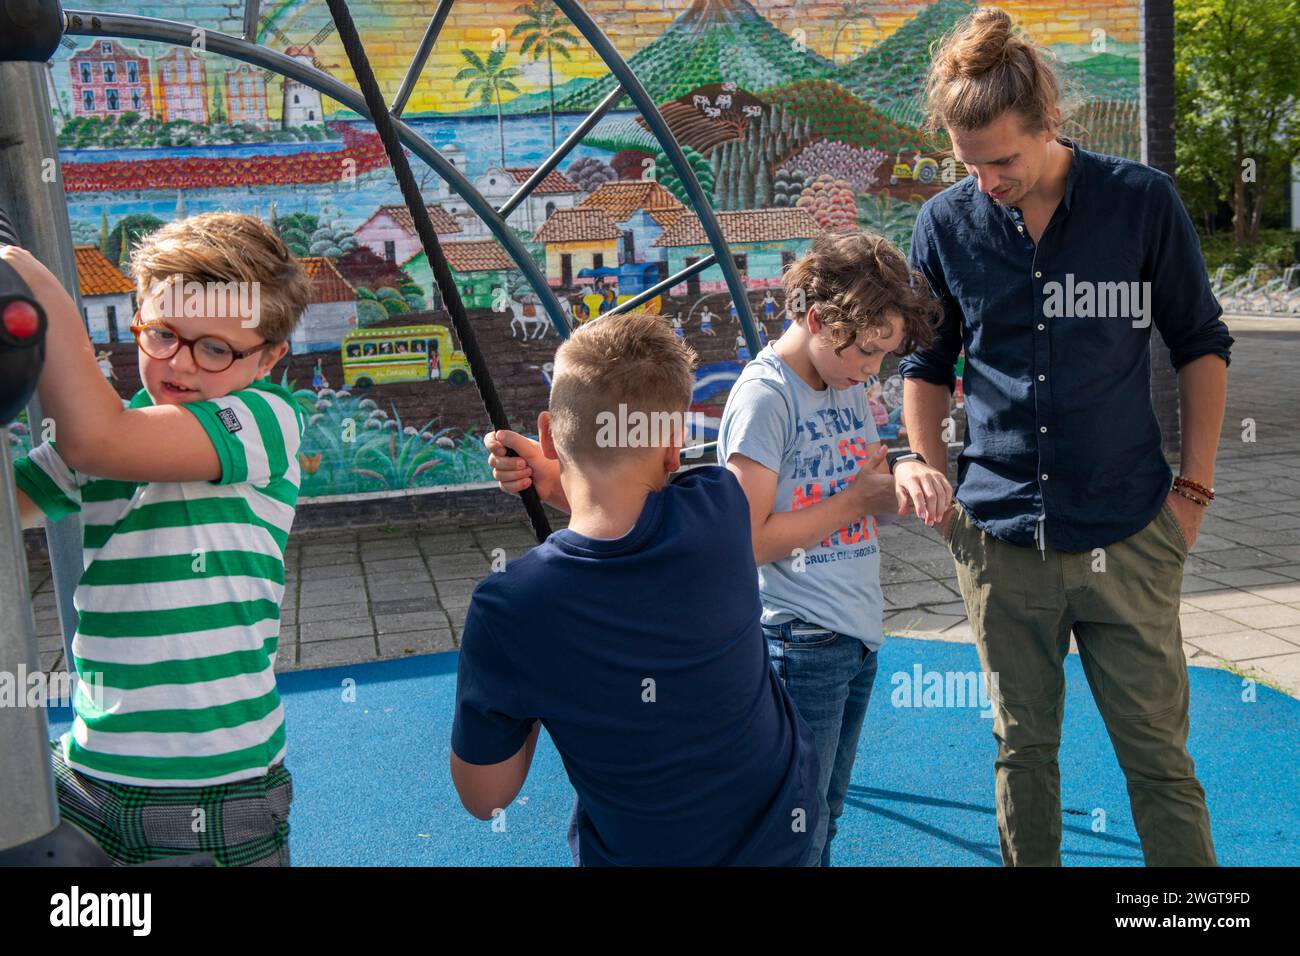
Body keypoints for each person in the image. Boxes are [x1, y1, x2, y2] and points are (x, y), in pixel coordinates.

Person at [900, 7, 1229, 866]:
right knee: (1021, 751)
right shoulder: (944, 223)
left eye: (1002, 159)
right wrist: (937, 488)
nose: (987, 181)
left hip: (1130, 529)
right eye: (968, 163)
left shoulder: (1140, 202)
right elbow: (925, 368)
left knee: (1157, 758)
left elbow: (1201, 343)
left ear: (1050, 124)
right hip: (998, 536)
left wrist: (1193, 490)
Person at [4, 212, 312, 866]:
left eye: (215, 348)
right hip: (91, 774)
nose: (180, 364)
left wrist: (25, 275)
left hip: (217, 793)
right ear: (140, 317)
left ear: (270, 356)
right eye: (164, 334)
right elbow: (16, 502)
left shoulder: (267, 421)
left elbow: (98, 438)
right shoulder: (119, 432)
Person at [459, 311, 820, 866]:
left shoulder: (510, 605)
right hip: (782, 841)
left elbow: (486, 797)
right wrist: (563, 478)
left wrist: (526, 681)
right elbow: (640, 509)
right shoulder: (721, 507)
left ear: (550, 433)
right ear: (673, 447)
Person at [716, 230, 950, 866]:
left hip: (853, 631)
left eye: (885, 356)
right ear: (819, 320)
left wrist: (903, 469)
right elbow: (745, 542)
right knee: (795, 826)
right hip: (798, 638)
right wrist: (855, 504)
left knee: (824, 816)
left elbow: (866, 467)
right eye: (869, 352)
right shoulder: (767, 397)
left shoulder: (843, 377)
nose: (873, 371)